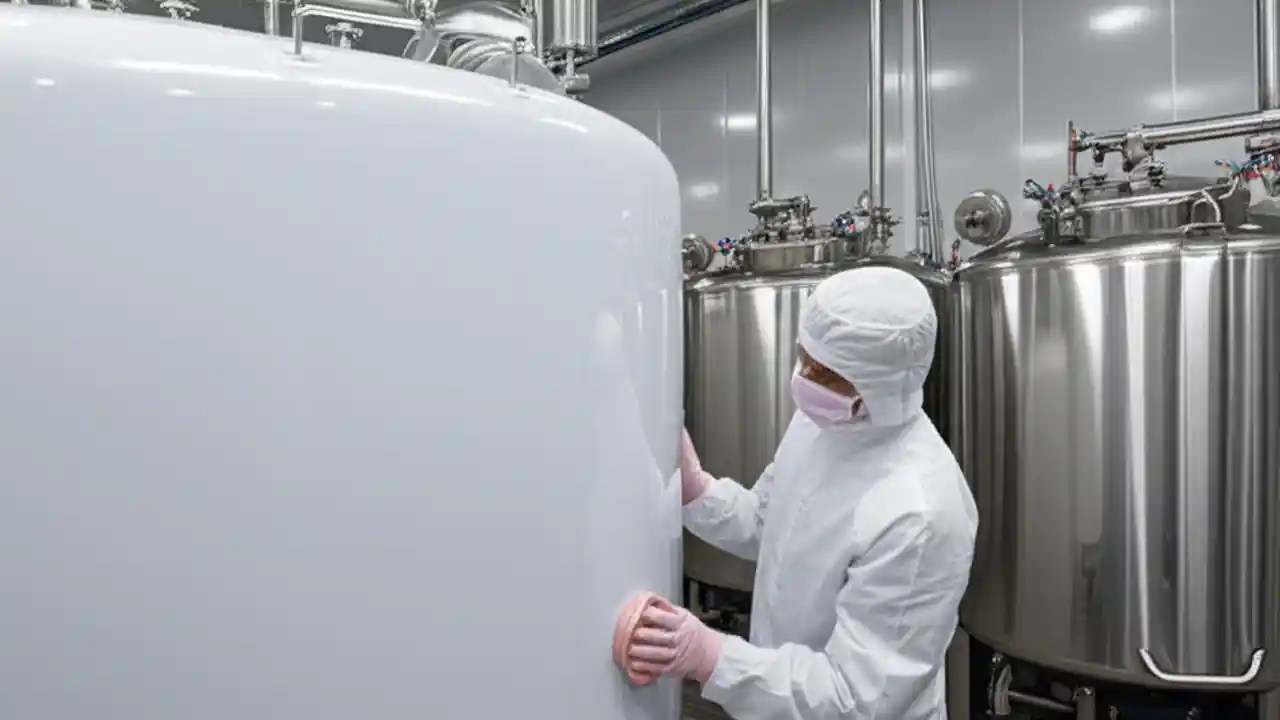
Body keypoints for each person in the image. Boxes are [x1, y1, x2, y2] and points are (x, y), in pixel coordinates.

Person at [620, 266, 978, 719]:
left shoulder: (919, 514)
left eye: (825, 372)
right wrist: (697, 490)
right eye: (804, 356)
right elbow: (770, 522)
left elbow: (854, 699)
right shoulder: (826, 417)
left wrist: (710, 656)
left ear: (880, 388)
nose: (805, 378)